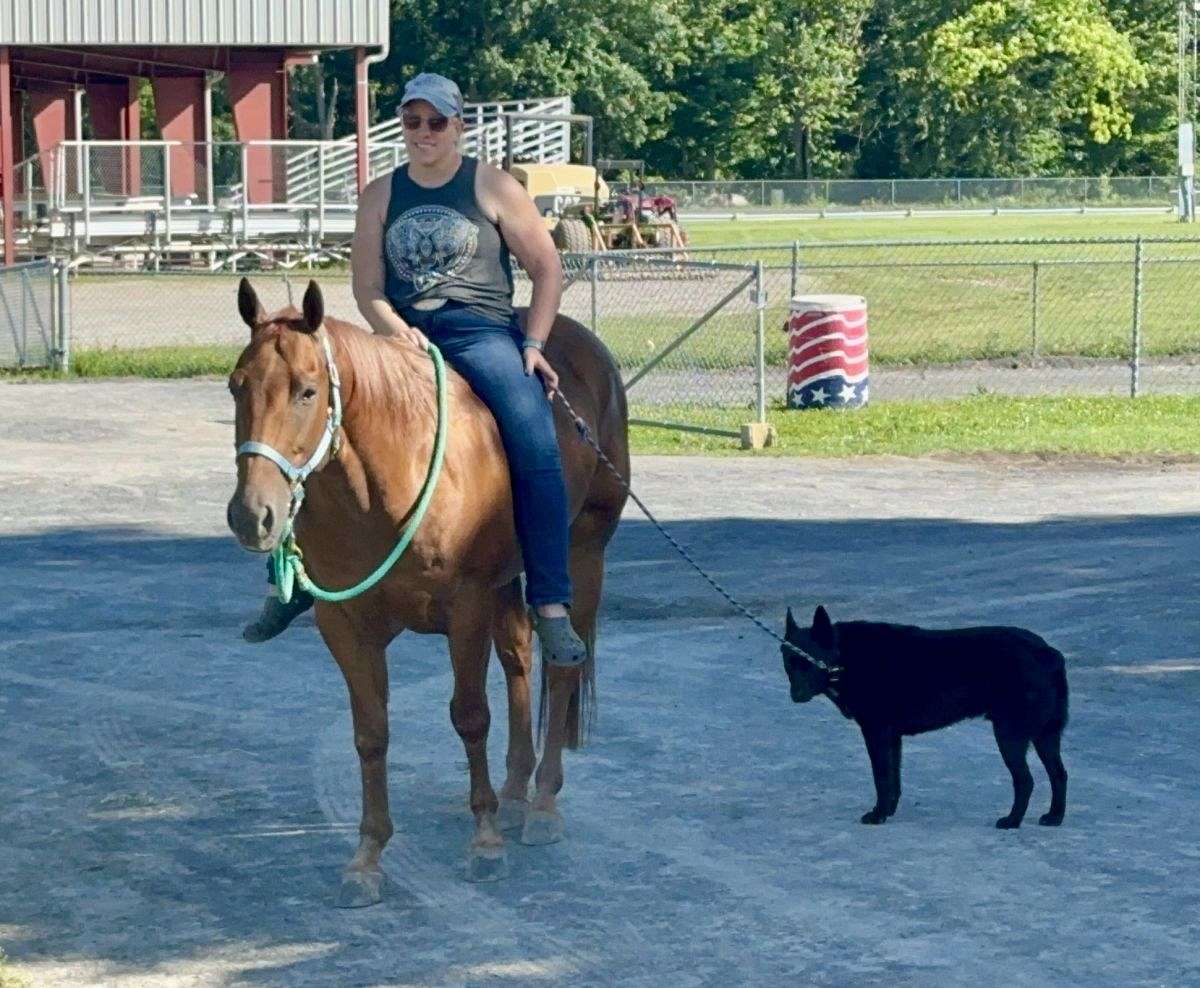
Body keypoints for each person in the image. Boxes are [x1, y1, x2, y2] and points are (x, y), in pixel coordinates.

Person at [242, 72, 587, 667]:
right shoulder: (381, 194)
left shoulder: (493, 186)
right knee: (312, 427)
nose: (424, 132)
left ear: (458, 126)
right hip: (402, 337)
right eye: (412, 121)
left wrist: (533, 342)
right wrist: (392, 329)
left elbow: (547, 268)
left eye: (436, 122)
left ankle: (550, 602)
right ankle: (292, 578)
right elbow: (367, 286)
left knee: (534, 438)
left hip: (480, 333)